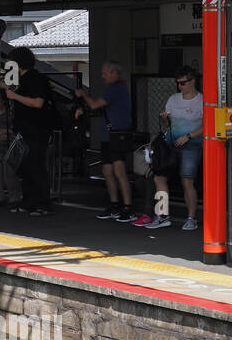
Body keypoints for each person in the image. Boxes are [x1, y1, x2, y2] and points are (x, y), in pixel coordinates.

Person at [138, 65, 204, 230]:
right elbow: (166, 124)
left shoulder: (202, 100)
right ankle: (162, 215)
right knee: (159, 177)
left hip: (192, 145)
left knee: (187, 180)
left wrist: (189, 136)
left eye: (183, 83)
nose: (180, 86)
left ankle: (191, 218)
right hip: (171, 144)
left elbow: (208, 124)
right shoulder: (173, 99)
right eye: (178, 83)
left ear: (192, 81)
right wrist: (164, 119)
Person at [75, 60, 134, 222]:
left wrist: (83, 95)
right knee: (108, 172)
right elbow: (101, 108)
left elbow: (94, 105)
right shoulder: (115, 89)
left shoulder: (116, 89)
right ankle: (115, 205)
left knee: (118, 171)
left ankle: (127, 207)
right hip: (109, 136)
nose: (102, 76)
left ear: (114, 73)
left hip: (116, 136)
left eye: (105, 73)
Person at [4, 47, 54, 216]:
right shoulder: (23, 79)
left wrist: (14, 96)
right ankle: (29, 202)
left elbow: (37, 103)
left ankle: (43, 203)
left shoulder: (34, 79)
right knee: (25, 167)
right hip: (26, 129)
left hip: (36, 130)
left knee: (36, 166)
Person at [0, 87, 21, 208]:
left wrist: (5, 134)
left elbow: (15, 130)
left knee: (10, 175)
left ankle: (14, 198)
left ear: (3, 101)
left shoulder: (10, 114)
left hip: (9, 149)